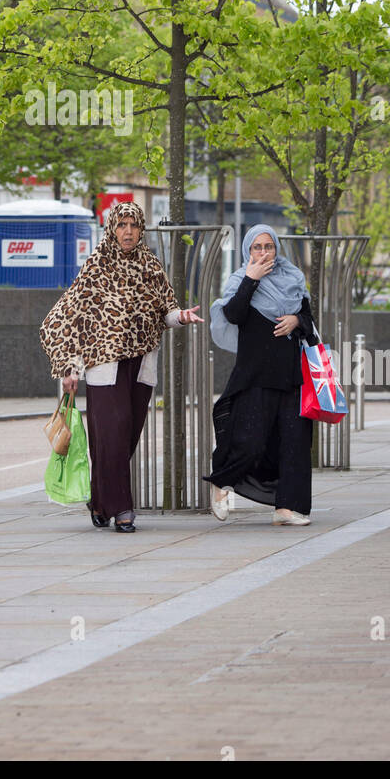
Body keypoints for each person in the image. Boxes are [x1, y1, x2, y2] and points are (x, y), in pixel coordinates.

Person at [40, 201, 202, 533]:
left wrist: (181, 317)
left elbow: (166, 311)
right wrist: (70, 367)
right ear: (112, 228)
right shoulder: (96, 266)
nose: (127, 231)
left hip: (141, 363)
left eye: (133, 225)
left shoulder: (151, 266)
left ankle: (99, 500)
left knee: (124, 436)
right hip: (104, 365)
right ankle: (122, 510)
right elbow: (65, 317)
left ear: (141, 229)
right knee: (113, 433)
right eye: (121, 225)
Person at [203, 224, 318, 526]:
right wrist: (252, 281)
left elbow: (308, 317)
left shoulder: (292, 278)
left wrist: (296, 320)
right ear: (248, 251)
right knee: (250, 442)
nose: (264, 253)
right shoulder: (241, 279)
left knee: (294, 443)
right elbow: (233, 315)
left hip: (291, 374)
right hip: (255, 376)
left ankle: (287, 508)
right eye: (257, 247)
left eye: (269, 247)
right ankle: (221, 482)